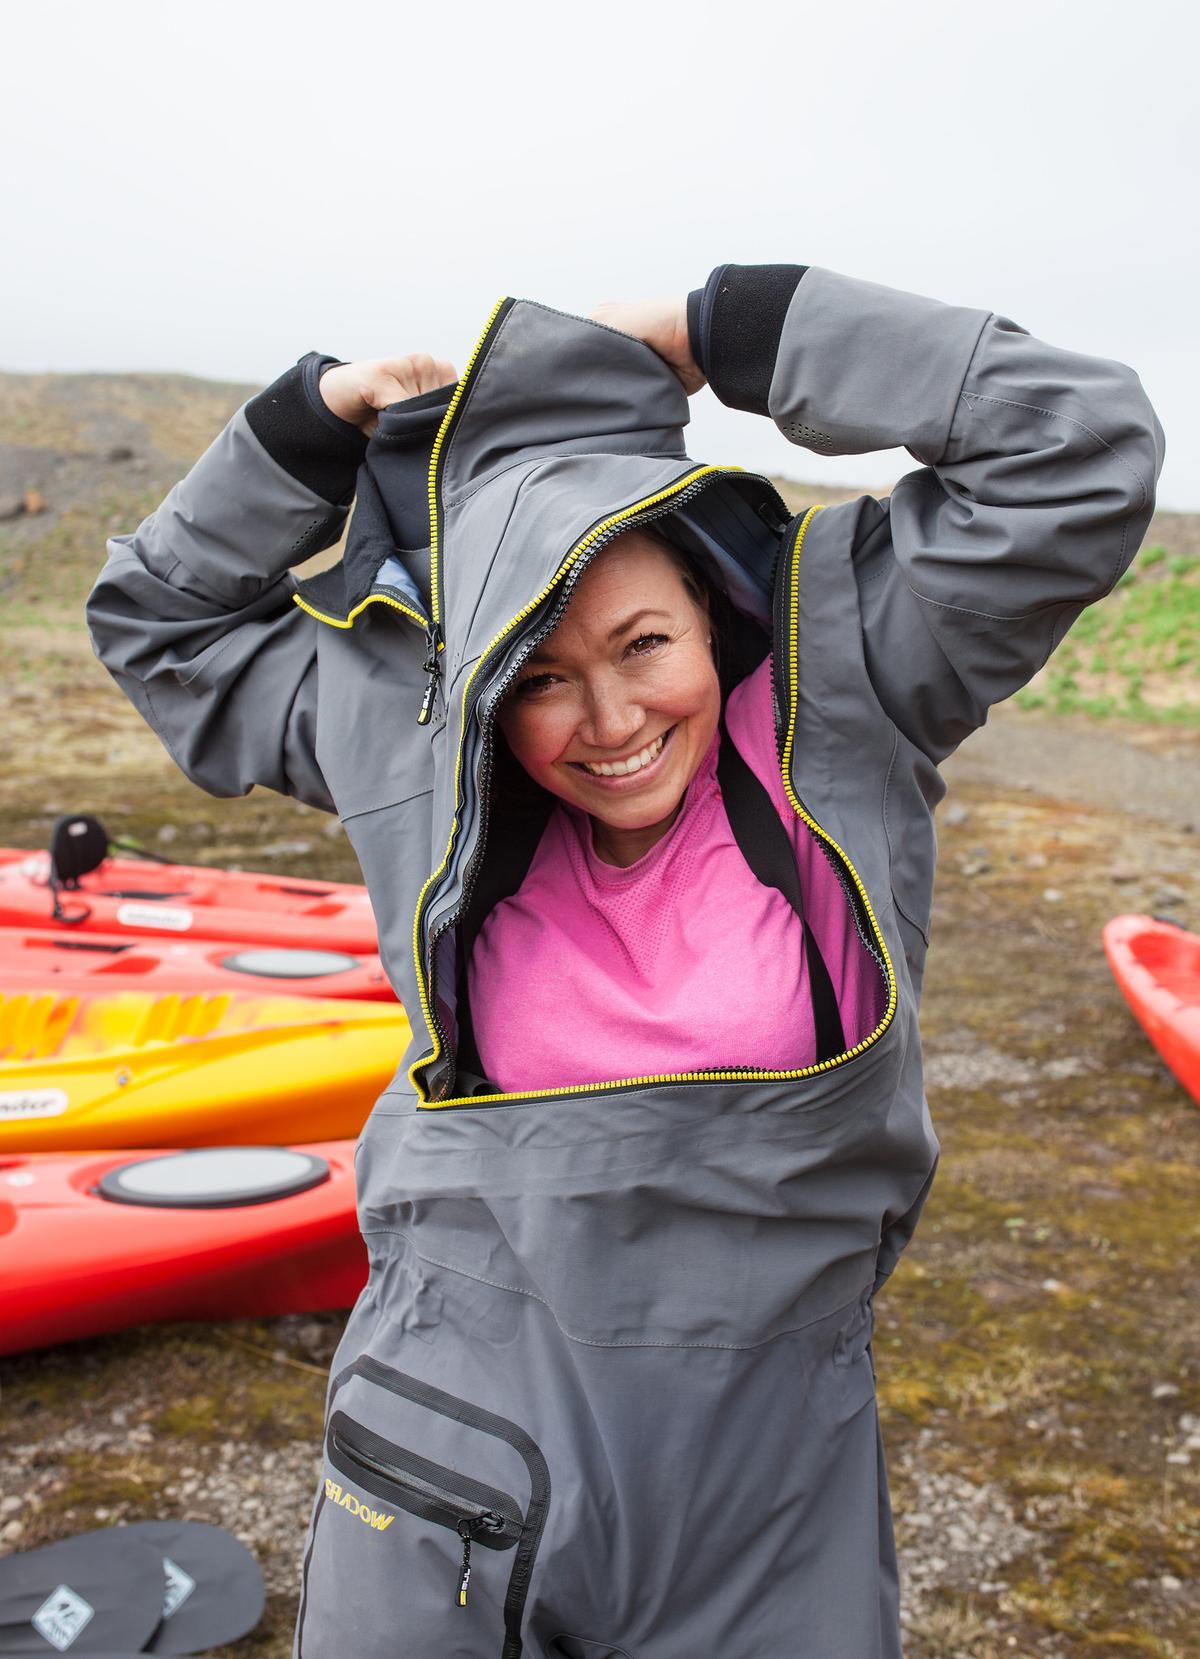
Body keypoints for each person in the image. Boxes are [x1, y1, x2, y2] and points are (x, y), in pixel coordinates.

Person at [88, 264, 1164, 1659]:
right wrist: (303, 427)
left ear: (711, 609)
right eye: (537, 674)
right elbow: (157, 623)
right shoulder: (397, 717)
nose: (609, 720)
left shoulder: (848, 673)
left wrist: (738, 333)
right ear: (480, 678)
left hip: (776, 1482)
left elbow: (1077, 448)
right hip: (445, 1443)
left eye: (644, 643)